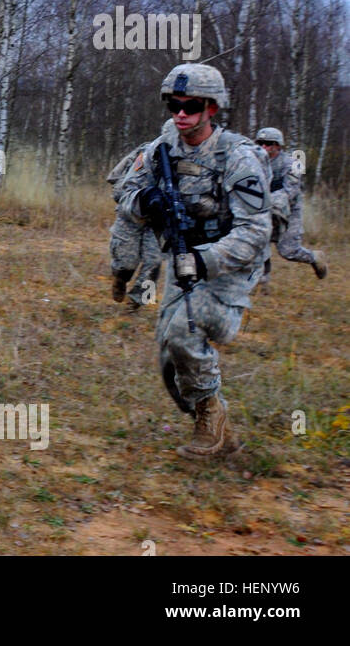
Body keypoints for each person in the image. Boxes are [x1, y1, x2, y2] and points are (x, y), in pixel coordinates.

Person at [116, 63, 271, 459]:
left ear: (212, 108)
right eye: (174, 104)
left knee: (185, 335)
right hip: (181, 256)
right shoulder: (159, 150)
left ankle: (211, 421)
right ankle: (217, 426)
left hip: (228, 265)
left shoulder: (238, 158)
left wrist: (204, 262)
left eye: (191, 105)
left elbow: (254, 233)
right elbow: (123, 189)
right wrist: (146, 200)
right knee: (169, 354)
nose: (180, 113)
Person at [107, 121, 174, 308]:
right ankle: (120, 279)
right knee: (126, 262)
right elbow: (120, 187)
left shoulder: (188, 161)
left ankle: (139, 302)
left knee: (154, 262)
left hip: (158, 220)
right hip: (132, 215)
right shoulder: (147, 154)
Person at [255, 127, 328, 282]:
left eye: (268, 144)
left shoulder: (293, 163)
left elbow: (291, 190)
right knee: (258, 241)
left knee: (288, 251)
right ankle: (262, 280)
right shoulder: (253, 162)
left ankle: (314, 257)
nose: (263, 147)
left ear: (278, 145)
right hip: (263, 210)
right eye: (260, 143)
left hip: (288, 211)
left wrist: (264, 200)